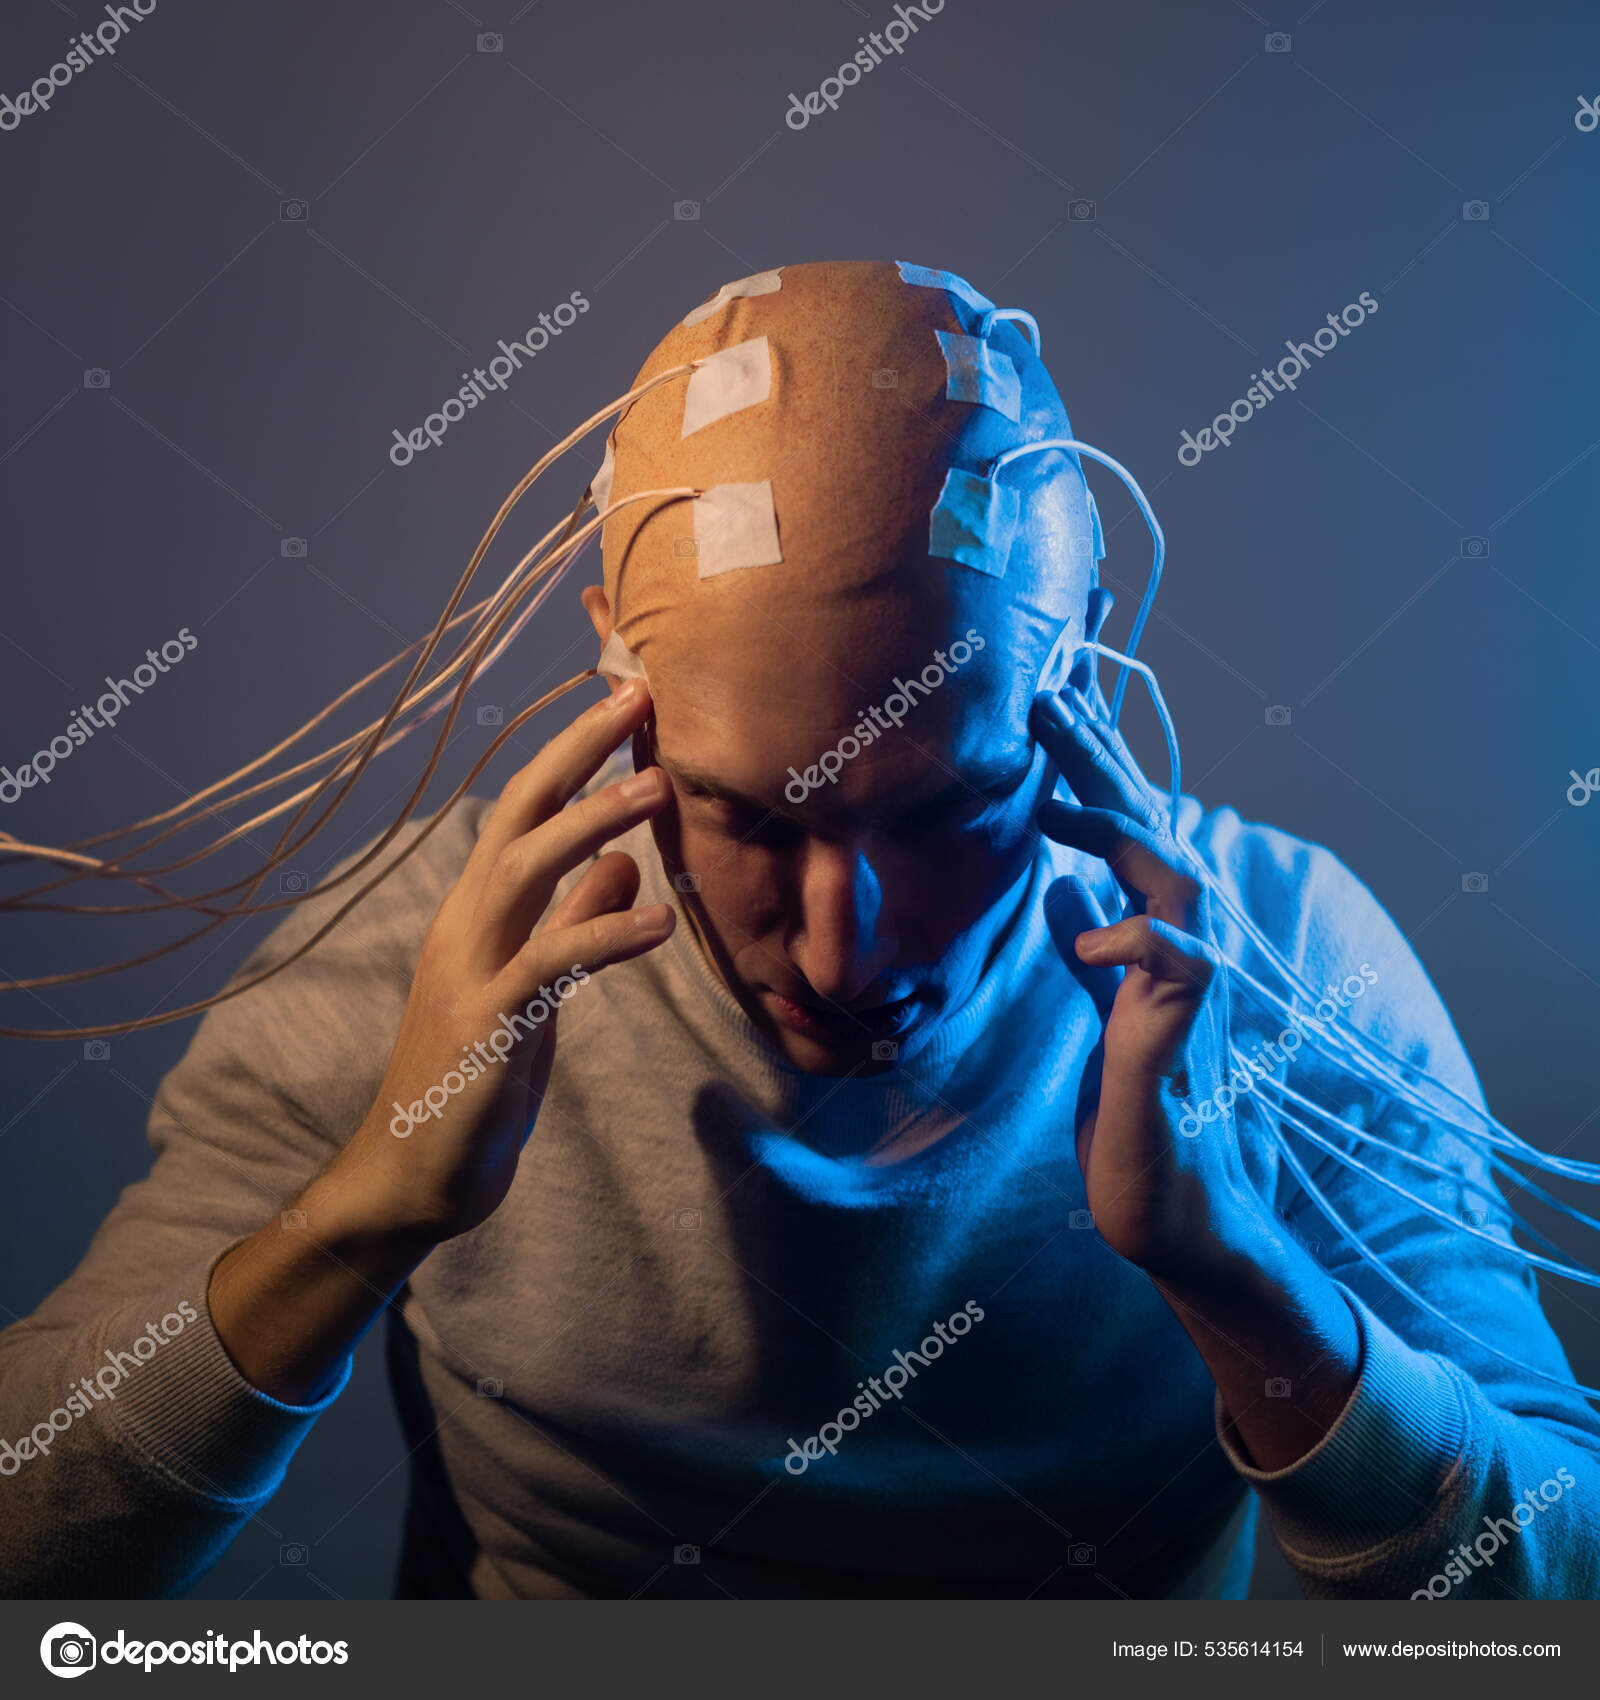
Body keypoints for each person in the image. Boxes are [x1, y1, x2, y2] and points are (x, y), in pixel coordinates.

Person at [1, 261, 1595, 1600]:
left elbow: (1570, 1582)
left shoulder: (1283, 964)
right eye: (752, 817)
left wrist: (1237, 1268)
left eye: (948, 811)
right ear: (612, 670)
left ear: (1079, 670)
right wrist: (363, 1214)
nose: (848, 953)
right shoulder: (411, 971)